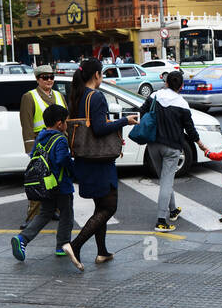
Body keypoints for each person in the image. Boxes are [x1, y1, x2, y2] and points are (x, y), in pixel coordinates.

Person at [66, 59, 137, 265]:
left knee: (100, 206)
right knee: (109, 207)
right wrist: (125, 120)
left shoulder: (76, 96)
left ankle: (102, 251)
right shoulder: (95, 96)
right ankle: (75, 245)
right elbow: (98, 129)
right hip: (99, 160)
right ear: (96, 74)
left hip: (85, 158)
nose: (102, 77)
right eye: (102, 73)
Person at [11, 104, 77, 266]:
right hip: (61, 184)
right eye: (66, 122)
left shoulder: (41, 136)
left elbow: (34, 155)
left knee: (44, 213)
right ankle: (62, 245)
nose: (66, 125)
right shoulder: (60, 138)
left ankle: (22, 238)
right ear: (59, 123)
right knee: (67, 214)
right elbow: (62, 159)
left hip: (45, 185)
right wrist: (74, 167)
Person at [139, 69, 200, 233]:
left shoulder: (155, 96)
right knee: (166, 182)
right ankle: (160, 220)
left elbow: (142, 112)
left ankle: (173, 210)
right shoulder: (182, 104)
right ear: (181, 86)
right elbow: (190, 129)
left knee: (165, 179)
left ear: (166, 83)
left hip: (152, 145)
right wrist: (200, 144)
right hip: (172, 148)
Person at [19, 66, 67, 232]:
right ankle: (32, 216)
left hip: (59, 142)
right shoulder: (29, 96)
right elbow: (26, 124)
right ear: (38, 79)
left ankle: (55, 209)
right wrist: (30, 148)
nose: (49, 80)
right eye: (45, 77)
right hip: (41, 144)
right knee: (40, 178)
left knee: (58, 178)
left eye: (51, 77)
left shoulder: (59, 95)